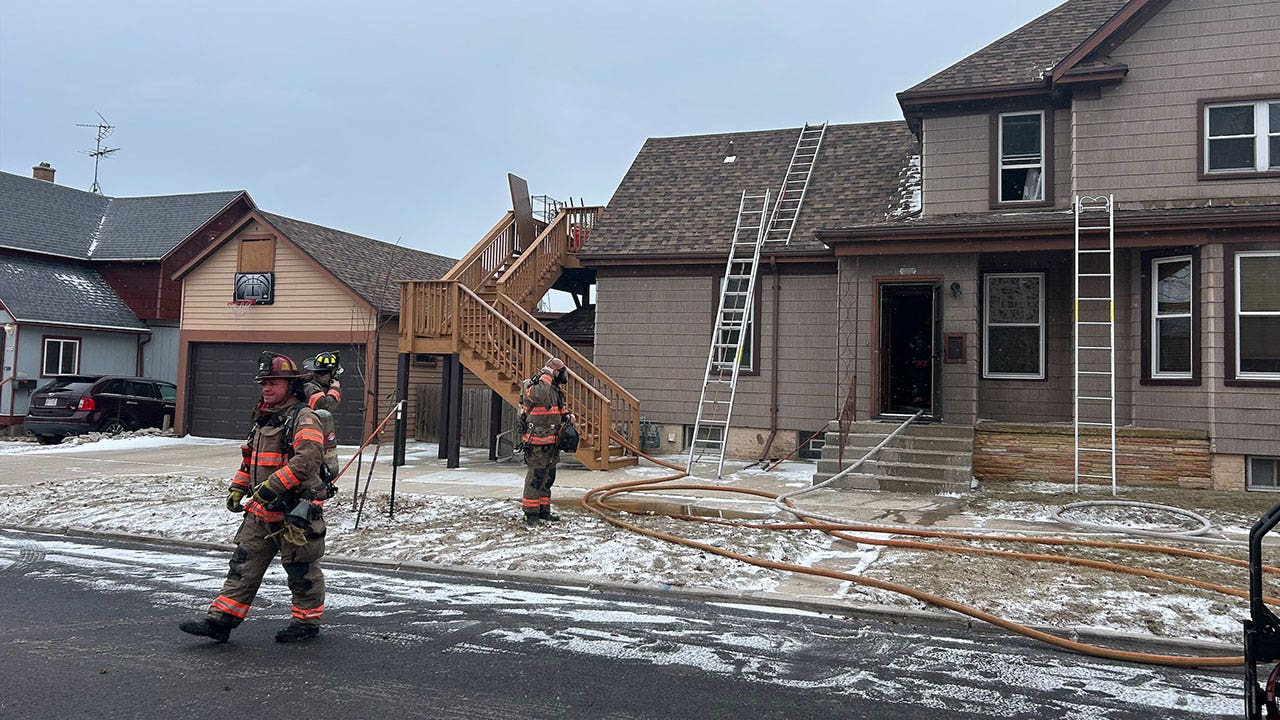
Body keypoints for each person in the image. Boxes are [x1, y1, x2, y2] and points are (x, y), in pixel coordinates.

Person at [179, 351, 329, 644]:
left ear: (290, 385)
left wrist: (274, 485)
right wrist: (238, 487)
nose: (266, 388)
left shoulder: (304, 417)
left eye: (273, 383)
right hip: (261, 512)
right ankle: (221, 620)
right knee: (243, 565)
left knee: (301, 570)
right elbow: (250, 459)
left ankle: (306, 623)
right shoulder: (264, 416)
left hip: (294, 513)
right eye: (264, 383)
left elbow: (308, 459)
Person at [518, 357, 572, 526]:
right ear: (553, 371)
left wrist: (567, 416)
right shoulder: (532, 385)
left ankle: (544, 511)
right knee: (536, 478)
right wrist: (546, 375)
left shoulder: (553, 388)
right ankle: (530, 513)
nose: (563, 376)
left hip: (551, 442)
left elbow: (557, 408)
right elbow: (539, 396)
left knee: (548, 478)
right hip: (536, 443)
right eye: (560, 372)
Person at [301, 351, 343, 487]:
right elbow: (326, 406)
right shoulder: (311, 387)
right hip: (308, 431)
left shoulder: (315, 384)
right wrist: (335, 389)